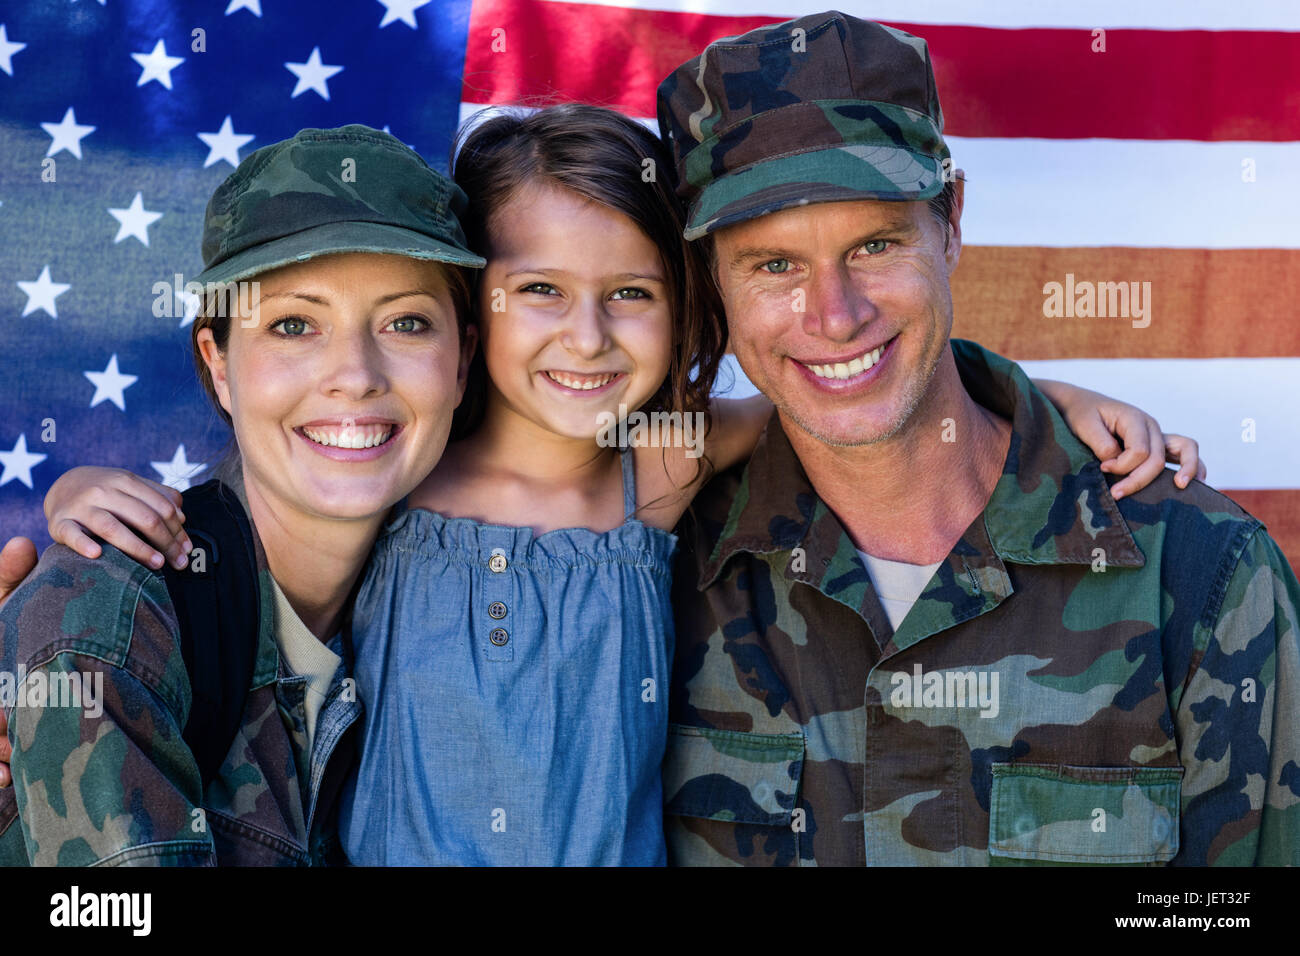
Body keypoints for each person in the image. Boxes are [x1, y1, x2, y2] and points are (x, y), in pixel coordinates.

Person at [1, 105, 1204, 863]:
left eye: (629, 294)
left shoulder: (659, 469)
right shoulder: (385, 490)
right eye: (537, 291)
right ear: (476, 321)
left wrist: (1032, 400)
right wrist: (77, 505)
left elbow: (841, 390)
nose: (584, 337)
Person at [655, 12, 1300, 866]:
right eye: (774, 265)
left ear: (951, 221)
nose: (835, 316)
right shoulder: (655, 568)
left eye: (875, 244)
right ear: (710, 279)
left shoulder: (1201, 571)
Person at [0, 125, 484, 865]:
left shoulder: (447, 619)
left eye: (407, 322)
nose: (354, 374)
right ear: (218, 363)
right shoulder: (111, 615)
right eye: (294, 324)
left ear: (462, 364)